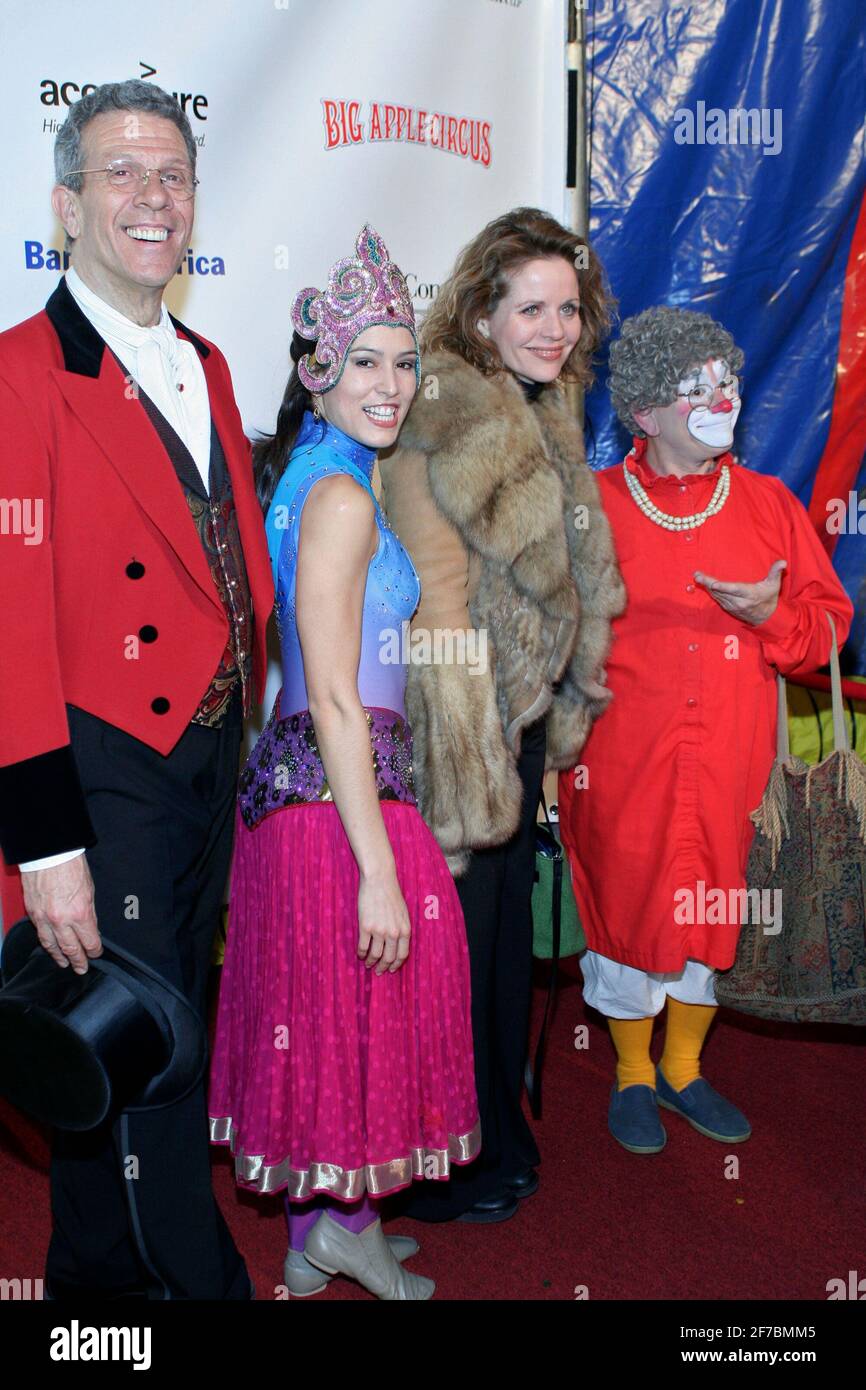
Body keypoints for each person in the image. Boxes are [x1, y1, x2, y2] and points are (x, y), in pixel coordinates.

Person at [0, 81, 274, 1298]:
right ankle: (183, 1285)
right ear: (66, 203)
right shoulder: (18, 370)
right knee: (148, 1048)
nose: (152, 196)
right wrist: (44, 837)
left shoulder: (207, 359)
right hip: (98, 759)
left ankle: (99, 1288)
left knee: (139, 1036)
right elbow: (4, 620)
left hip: (204, 752)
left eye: (171, 174)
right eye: (121, 172)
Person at [208, 226, 480, 1300]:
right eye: (363, 360)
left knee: (333, 1012)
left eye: (403, 359)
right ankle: (343, 1227)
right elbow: (327, 688)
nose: (391, 383)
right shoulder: (336, 496)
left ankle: (327, 1224)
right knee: (367, 1007)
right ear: (316, 370)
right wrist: (375, 863)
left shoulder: (326, 476)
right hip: (338, 794)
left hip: (322, 790)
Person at [557, 306, 854, 1154]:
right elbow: (547, 632)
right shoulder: (594, 505)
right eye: (698, 387)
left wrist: (773, 619)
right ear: (646, 413)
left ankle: (683, 1068)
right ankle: (632, 1075)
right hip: (622, 766)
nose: (722, 397)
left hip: (734, 765)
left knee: (717, 913)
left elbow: (830, 630)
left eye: (728, 379)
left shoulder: (768, 504)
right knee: (629, 914)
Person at [377, 207, 625, 1223]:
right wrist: (471, 759)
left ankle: (490, 1131)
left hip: (512, 732)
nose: (554, 328)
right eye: (530, 307)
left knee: (497, 953)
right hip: (455, 737)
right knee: (450, 955)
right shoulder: (441, 410)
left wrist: (550, 726)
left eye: (567, 308)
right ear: (481, 311)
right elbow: (430, 605)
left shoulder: (545, 409)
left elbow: (566, 588)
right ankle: (438, 1160)